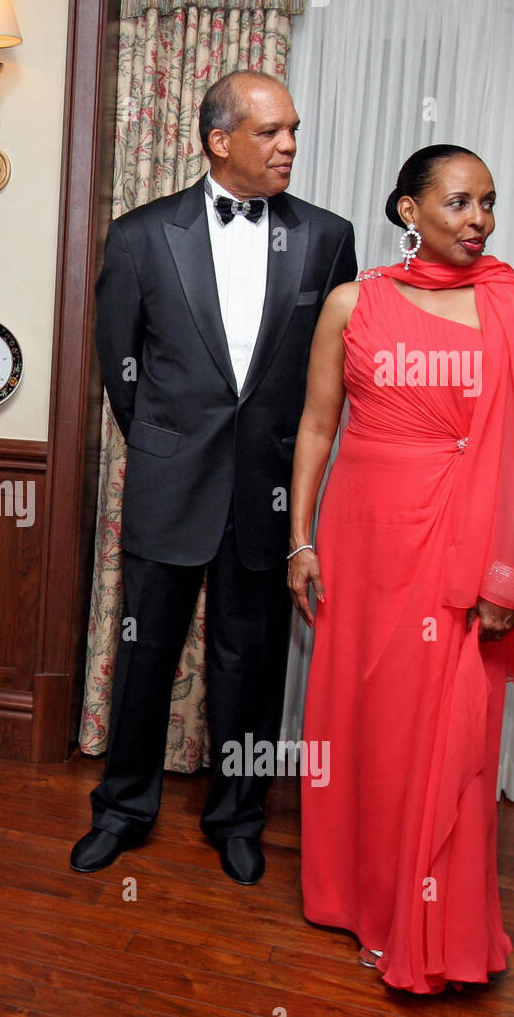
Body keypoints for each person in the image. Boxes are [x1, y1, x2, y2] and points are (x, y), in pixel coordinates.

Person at [289, 145, 514, 993]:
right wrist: (300, 539)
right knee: (361, 717)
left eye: (487, 203)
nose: (477, 220)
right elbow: (314, 428)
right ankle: (355, 897)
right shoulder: (351, 302)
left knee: (443, 731)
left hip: (460, 550)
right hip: (363, 539)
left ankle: (428, 916)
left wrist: (507, 579)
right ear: (409, 210)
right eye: (456, 203)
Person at [72, 71, 357, 884]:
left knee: (251, 662)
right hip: (169, 485)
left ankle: (236, 817)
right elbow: (121, 370)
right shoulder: (139, 237)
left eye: (293, 130)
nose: (289, 145)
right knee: (144, 654)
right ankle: (123, 809)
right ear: (219, 140)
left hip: (266, 494)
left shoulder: (327, 238)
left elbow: (327, 381)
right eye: (271, 132)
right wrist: (168, 447)